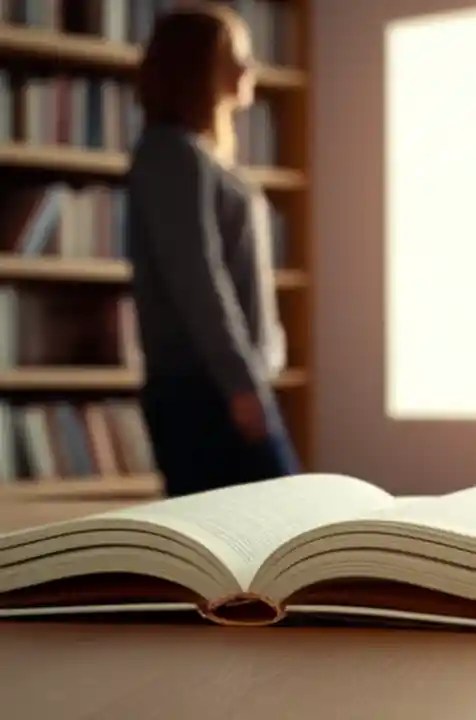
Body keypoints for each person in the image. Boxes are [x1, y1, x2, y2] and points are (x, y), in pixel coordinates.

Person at [126, 2, 299, 497]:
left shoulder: (200, 155)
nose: (249, 68)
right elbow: (198, 278)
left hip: (227, 387)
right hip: (204, 393)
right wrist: (242, 385)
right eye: (234, 55)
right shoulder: (170, 154)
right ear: (195, 67)